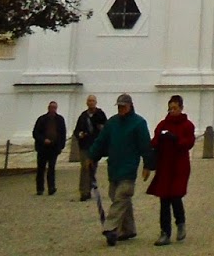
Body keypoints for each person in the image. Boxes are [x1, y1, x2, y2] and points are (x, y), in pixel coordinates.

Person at [88, 93, 152, 246]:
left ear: (130, 106)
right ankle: (128, 229)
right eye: (119, 107)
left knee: (122, 196)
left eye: (123, 106)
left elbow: (145, 145)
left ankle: (110, 228)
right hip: (114, 167)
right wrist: (92, 156)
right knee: (116, 196)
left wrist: (148, 165)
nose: (121, 109)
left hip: (129, 168)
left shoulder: (139, 123)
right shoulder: (112, 123)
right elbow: (101, 141)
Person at [146, 94, 195, 246]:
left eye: (175, 108)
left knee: (175, 196)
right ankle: (165, 232)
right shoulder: (162, 124)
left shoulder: (187, 125)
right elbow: (154, 141)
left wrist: (176, 139)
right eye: (170, 108)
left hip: (179, 166)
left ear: (181, 108)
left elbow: (189, 142)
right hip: (164, 166)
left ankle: (180, 223)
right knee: (164, 199)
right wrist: (159, 140)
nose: (172, 111)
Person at [74, 95, 109, 202]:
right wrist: (79, 134)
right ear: (87, 103)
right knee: (85, 167)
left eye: (93, 101)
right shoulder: (83, 116)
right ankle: (84, 191)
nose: (91, 102)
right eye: (89, 101)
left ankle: (88, 188)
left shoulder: (100, 114)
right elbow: (76, 130)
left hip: (95, 145)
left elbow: (106, 128)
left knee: (92, 168)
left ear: (95, 102)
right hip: (84, 145)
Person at [32, 100, 67, 195]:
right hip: (42, 147)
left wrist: (61, 146)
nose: (53, 109)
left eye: (54, 108)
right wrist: (43, 140)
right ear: (48, 108)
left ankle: (51, 187)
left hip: (54, 148)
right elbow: (35, 133)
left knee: (51, 168)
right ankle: (40, 188)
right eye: (51, 107)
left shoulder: (60, 119)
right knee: (41, 168)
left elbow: (63, 133)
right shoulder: (42, 119)